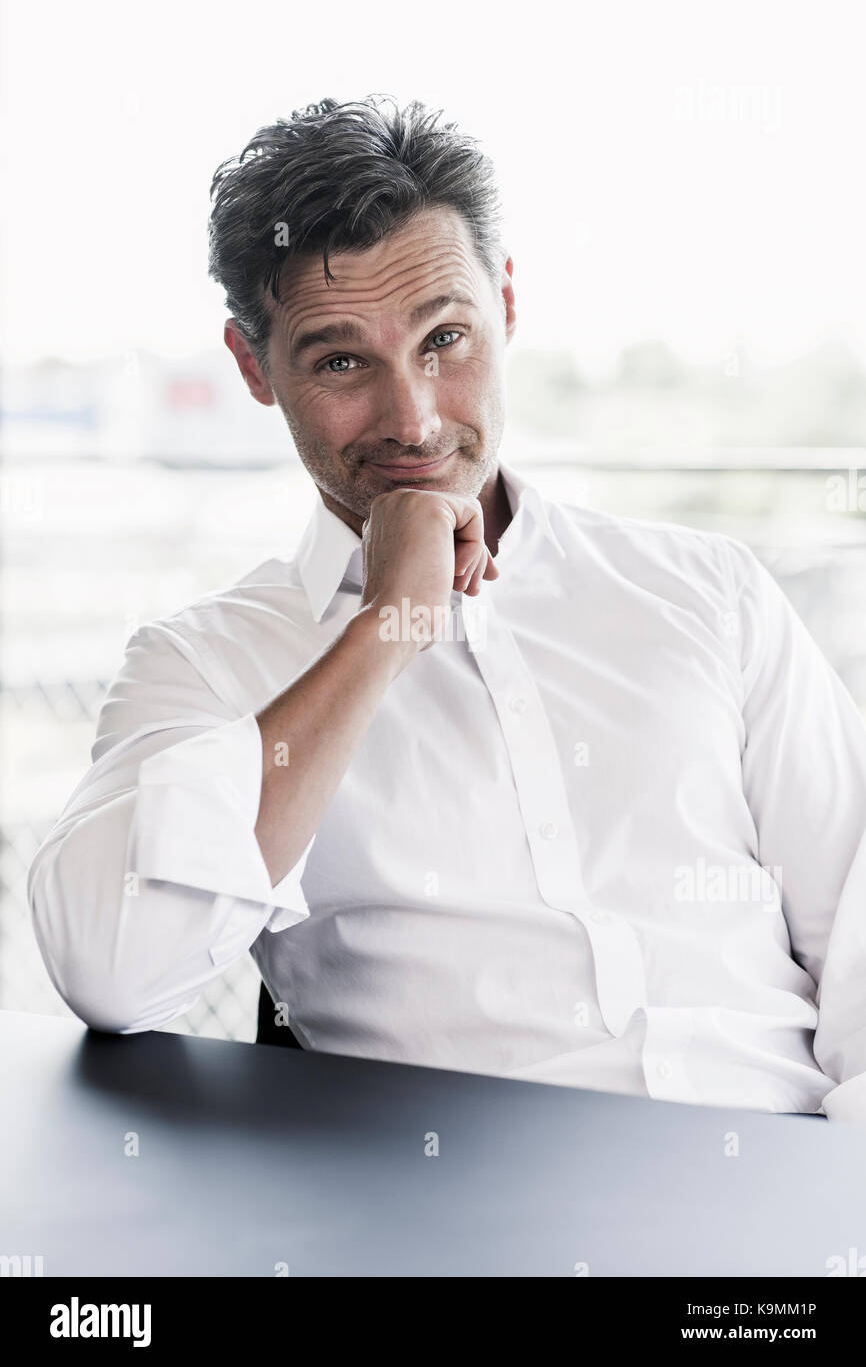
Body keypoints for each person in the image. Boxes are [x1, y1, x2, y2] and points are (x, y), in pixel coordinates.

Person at [28, 96, 866, 1124]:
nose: (413, 416)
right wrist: (385, 626)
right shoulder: (205, 665)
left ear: (504, 303)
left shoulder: (709, 591)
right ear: (253, 367)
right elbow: (110, 970)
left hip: (791, 1200)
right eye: (341, 361)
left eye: (444, 337)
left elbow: (854, 910)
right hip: (457, 1225)